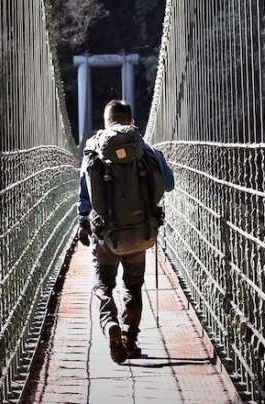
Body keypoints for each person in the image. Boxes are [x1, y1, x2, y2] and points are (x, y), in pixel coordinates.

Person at [77, 99, 174, 363]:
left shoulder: (93, 149)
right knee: (133, 286)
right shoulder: (147, 149)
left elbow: (85, 194)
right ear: (131, 121)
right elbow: (169, 184)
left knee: (103, 286)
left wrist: (83, 221)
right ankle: (130, 340)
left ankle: (110, 325)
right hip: (140, 233)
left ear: (107, 121)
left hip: (105, 235)